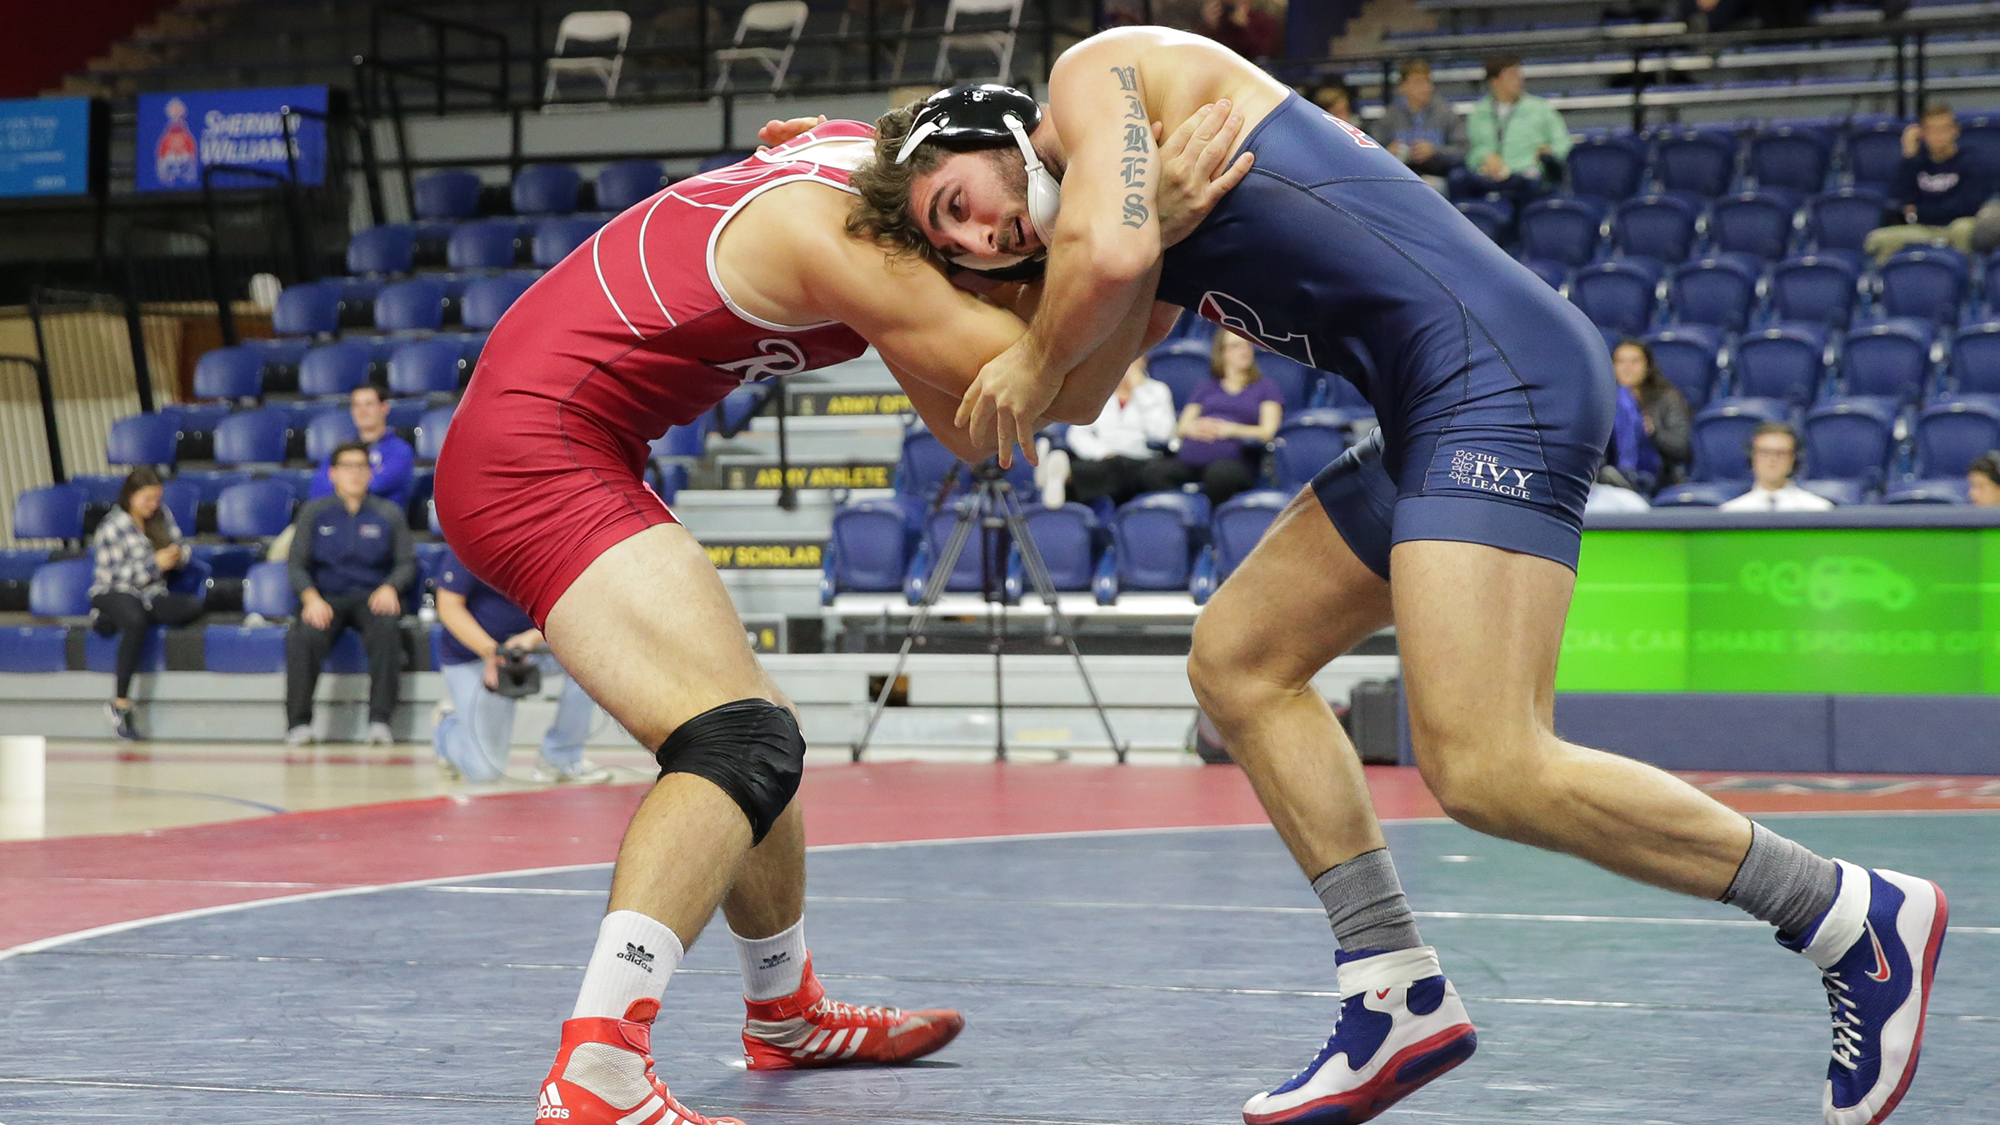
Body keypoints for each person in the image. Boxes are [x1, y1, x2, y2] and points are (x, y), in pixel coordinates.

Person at [863, 29, 1945, 1125]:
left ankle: (1848, 915)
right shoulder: (1130, 222)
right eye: (961, 250)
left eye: (957, 201)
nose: (982, 238)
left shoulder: (1096, 75)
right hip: (1436, 406)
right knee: (1238, 664)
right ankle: (1391, 990)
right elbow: (1084, 398)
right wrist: (1136, 247)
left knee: (1486, 767)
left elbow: (1081, 305)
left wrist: (1064, 317)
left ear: (984, 127)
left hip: (1497, 381)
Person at [432, 105, 1248, 1125]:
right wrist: (1146, 241)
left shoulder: (883, 177)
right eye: (964, 214)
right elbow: (1061, 393)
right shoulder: (848, 240)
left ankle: (785, 1015)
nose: (965, 242)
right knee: (735, 740)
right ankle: (596, 1068)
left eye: (1001, 247)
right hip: (536, 457)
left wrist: (1081, 245)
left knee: (757, 734)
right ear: (960, 145)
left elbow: (969, 434)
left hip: (559, 439)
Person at [432, 547, 610, 783]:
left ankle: (560, 757)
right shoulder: (476, 539)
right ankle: (447, 729)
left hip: (535, 646)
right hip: (474, 654)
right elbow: (448, 606)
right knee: (484, 772)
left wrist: (533, 638)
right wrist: (492, 652)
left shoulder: (556, 541)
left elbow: (578, 605)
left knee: (594, 656)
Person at [286, 441, 416, 747]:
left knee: (387, 629)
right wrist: (310, 598)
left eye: (361, 467)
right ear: (333, 474)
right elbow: (296, 564)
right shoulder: (314, 513)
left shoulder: (388, 513)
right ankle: (298, 724)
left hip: (372, 596)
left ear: (370, 473)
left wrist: (390, 587)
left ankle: (380, 722)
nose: (355, 474)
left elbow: (407, 562)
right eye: (347, 467)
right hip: (327, 597)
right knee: (302, 637)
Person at [88, 467, 204, 740]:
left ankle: (109, 620)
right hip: (114, 591)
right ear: (131, 496)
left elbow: (182, 547)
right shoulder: (112, 527)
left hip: (151, 595)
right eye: (148, 499)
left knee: (192, 607)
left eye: (156, 499)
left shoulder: (161, 516)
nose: (153, 505)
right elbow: (118, 576)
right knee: (135, 621)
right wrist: (155, 565)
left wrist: (177, 555)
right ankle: (120, 703)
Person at [1155, 329, 1283, 507]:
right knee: (1154, 472)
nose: (1244, 350)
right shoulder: (1206, 387)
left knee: (1218, 475)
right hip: (1192, 461)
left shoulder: (1265, 387)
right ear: (1222, 352)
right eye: (1236, 346)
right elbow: (1181, 427)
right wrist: (1195, 428)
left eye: (1247, 345)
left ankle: (1217, 526)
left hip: (1237, 463)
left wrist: (1231, 430)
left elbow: (1268, 431)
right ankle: (1181, 521)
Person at [1863, 102, 2000, 264]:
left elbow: (1967, 206)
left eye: (1944, 129)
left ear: (1955, 131)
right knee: (1877, 239)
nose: (1939, 135)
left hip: (1955, 227)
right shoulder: (1917, 162)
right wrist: (1909, 155)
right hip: (1923, 229)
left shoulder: (1971, 161)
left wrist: (1919, 211)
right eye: (1932, 130)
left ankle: (1967, 280)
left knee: (1963, 228)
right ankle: (1888, 285)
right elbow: (1898, 196)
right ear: (1923, 134)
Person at [1041, 353, 1177, 508]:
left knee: (1124, 468)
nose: (1127, 362)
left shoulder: (1157, 391)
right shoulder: (1097, 391)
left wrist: (1140, 391)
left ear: (1144, 361)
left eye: (1135, 357)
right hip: (1104, 459)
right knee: (1111, 466)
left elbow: (1162, 434)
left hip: (1142, 459)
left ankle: (1066, 475)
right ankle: (1060, 476)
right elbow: (1077, 433)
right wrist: (1103, 453)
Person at [1453, 55, 1572, 212]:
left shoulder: (1540, 109)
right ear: (1494, 82)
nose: (1519, 80)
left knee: (1530, 183)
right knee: (1457, 179)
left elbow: (1563, 143)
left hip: (1524, 173)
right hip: (1490, 174)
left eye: (1519, 74)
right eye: (1511, 75)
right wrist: (1485, 157)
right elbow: (1471, 150)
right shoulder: (1479, 112)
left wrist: (1549, 151)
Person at [309, 384, 416, 510]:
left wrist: (343, 481)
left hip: (381, 522)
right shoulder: (343, 449)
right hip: (338, 520)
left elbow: (376, 485)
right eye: (357, 405)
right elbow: (318, 487)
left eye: (369, 404)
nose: (362, 411)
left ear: (384, 408)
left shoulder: (399, 451)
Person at [1607, 339, 1691, 491]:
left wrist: (1654, 433)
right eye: (1620, 361)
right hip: (1612, 482)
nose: (1627, 368)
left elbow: (1682, 448)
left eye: (1635, 361)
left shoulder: (1667, 398)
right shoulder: (1604, 401)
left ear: (1648, 366)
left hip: (1660, 480)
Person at [1370, 59, 1465, 181]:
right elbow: (1372, 151)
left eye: (1427, 82)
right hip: (1400, 178)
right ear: (1403, 86)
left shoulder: (1446, 113)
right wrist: (1387, 152)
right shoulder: (1389, 117)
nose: (1425, 88)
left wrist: (1434, 152)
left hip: (1438, 177)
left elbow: (1463, 152)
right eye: (1417, 82)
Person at [1719, 423, 1835, 512]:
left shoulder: (1819, 510)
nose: (1772, 459)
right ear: (1752, 457)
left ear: (1794, 459)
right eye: (1764, 452)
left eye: (1781, 453)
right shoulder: (1730, 512)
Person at [1198, 0, 1282, 59]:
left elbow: (1262, 54)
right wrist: (1210, 25)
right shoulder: (1218, 22)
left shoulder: (1264, 21)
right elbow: (1204, 51)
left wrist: (1243, 27)